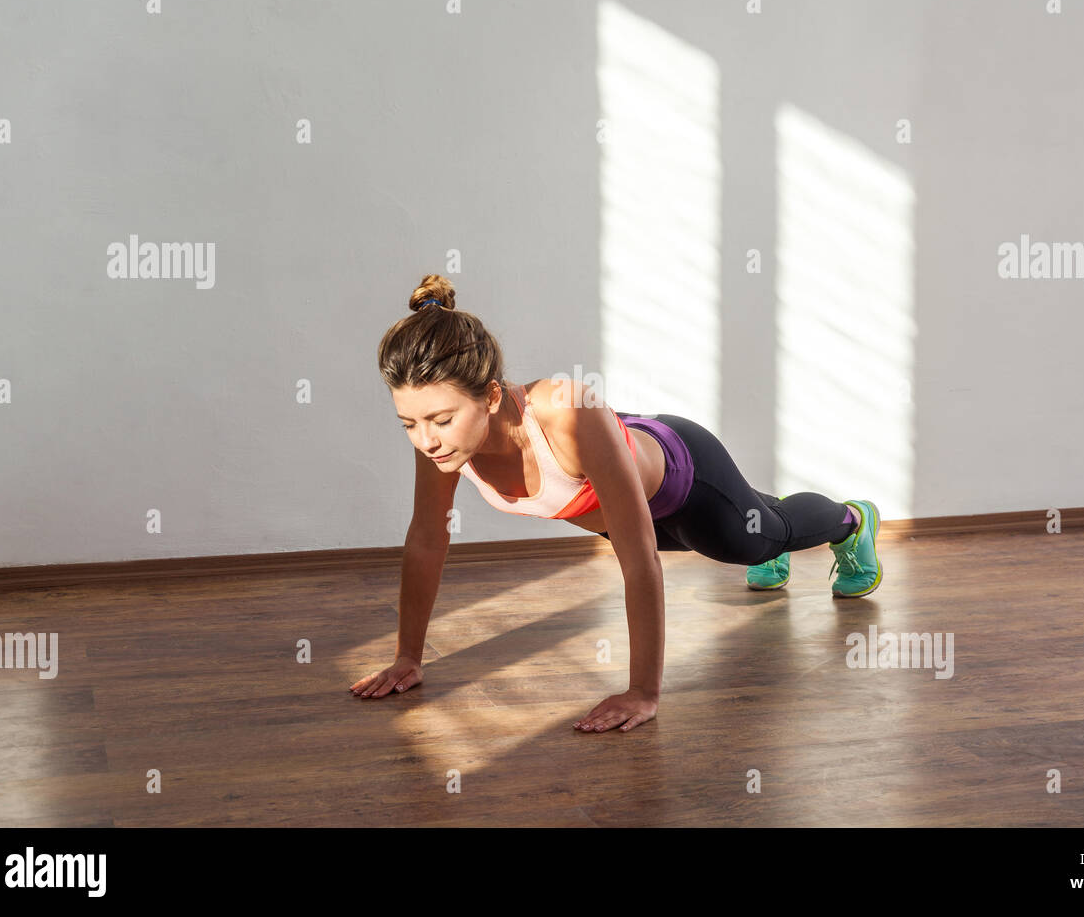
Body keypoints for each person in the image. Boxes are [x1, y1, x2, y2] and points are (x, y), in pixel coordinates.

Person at [350, 274, 883, 733]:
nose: (426, 439)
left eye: (441, 420)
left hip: (684, 480)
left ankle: (852, 521)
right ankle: (761, 520)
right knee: (752, 524)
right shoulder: (443, 445)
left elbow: (638, 558)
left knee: (760, 538)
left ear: (490, 396)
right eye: (410, 424)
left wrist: (643, 692)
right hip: (627, 512)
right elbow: (426, 539)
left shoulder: (564, 409)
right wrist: (407, 657)